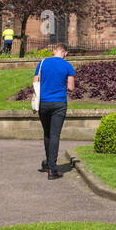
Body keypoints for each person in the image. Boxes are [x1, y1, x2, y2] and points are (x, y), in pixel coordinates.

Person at [34, 44, 75, 179]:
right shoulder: (67, 66)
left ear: (53, 51)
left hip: (43, 103)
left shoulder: (42, 63)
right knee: (55, 135)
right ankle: (52, 169)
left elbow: (35, 81)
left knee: (47, 134)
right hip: (59, 103)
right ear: (64, 52)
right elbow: (71, 88)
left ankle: (48, 163)